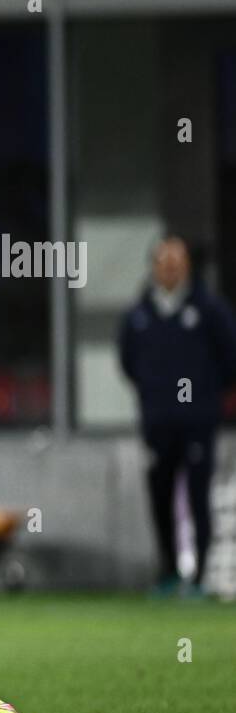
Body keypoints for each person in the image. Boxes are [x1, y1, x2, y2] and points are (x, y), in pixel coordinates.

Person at [118, 235, 236, 596]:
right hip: (158, 422)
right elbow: (128, 361)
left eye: (177, 261)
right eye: (163, 261)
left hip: (198, 420)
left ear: (187, 266)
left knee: (199, 497)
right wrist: (155, 395)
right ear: (153, 266)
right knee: (161, 497)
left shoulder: (208, 309)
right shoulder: (139, 314)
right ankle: (169, 571)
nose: (170, 267)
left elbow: (229, 357)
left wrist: (204, 396)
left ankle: (200, 575)